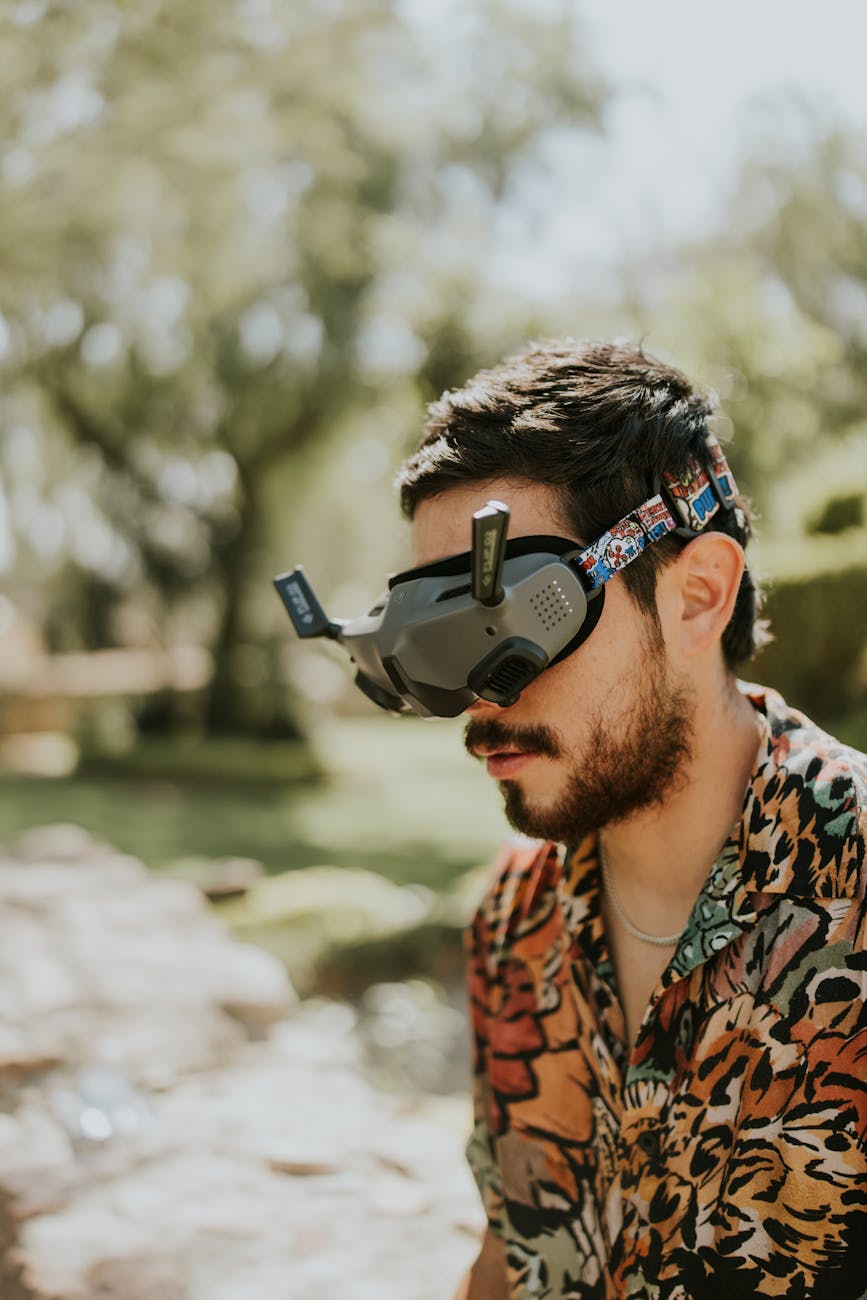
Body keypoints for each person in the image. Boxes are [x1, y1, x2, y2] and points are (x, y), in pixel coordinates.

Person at [393, 341, 867, 1299]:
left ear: (697, 595)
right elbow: (508, 1256)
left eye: (515, 619)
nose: (477, 701)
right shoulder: (508, 922)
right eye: (441, 640)